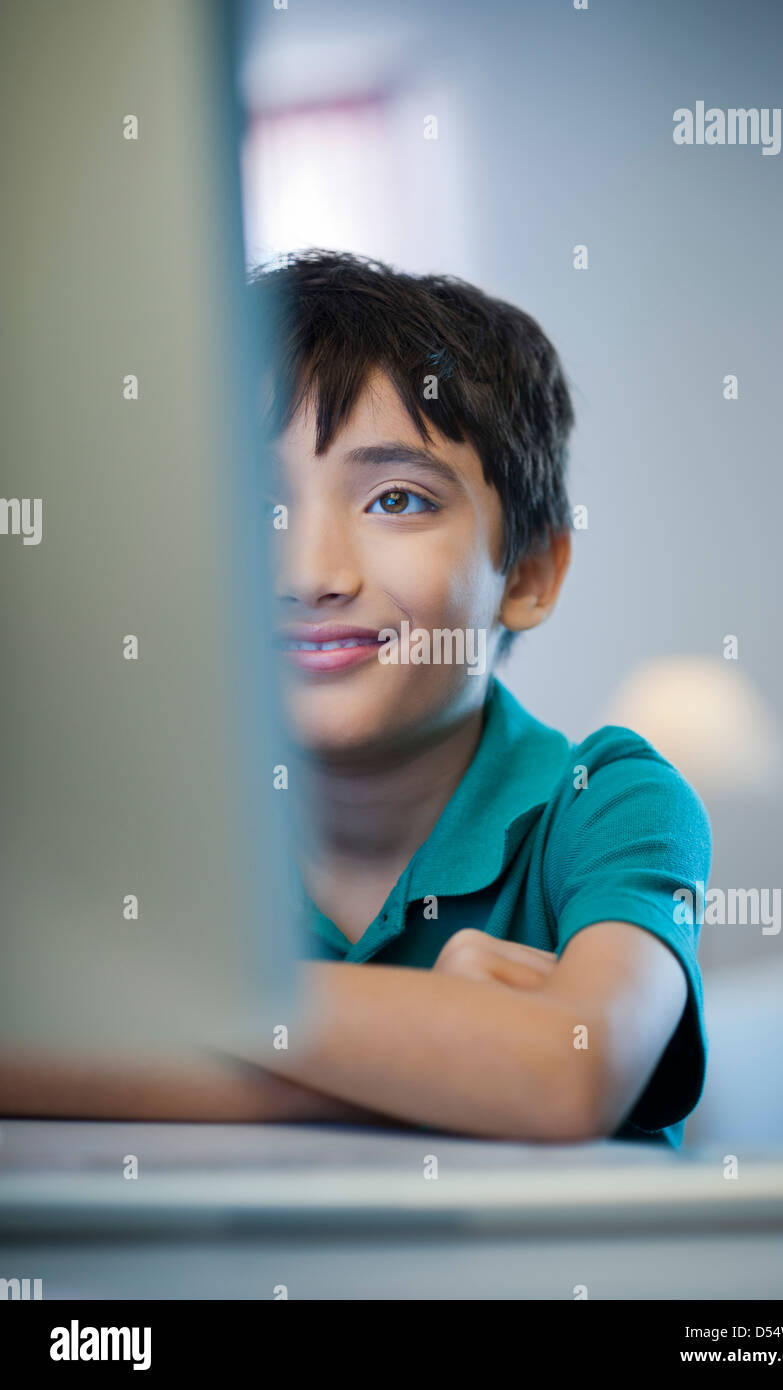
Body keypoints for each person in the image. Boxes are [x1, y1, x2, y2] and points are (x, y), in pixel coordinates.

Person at [0, 250, 711, 1145]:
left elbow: (564, 1072)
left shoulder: (612, 802)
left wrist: (162, 1028)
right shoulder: (138, 826)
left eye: (398, 499)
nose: (310, 574)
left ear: (526, 573)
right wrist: (441, 1051)